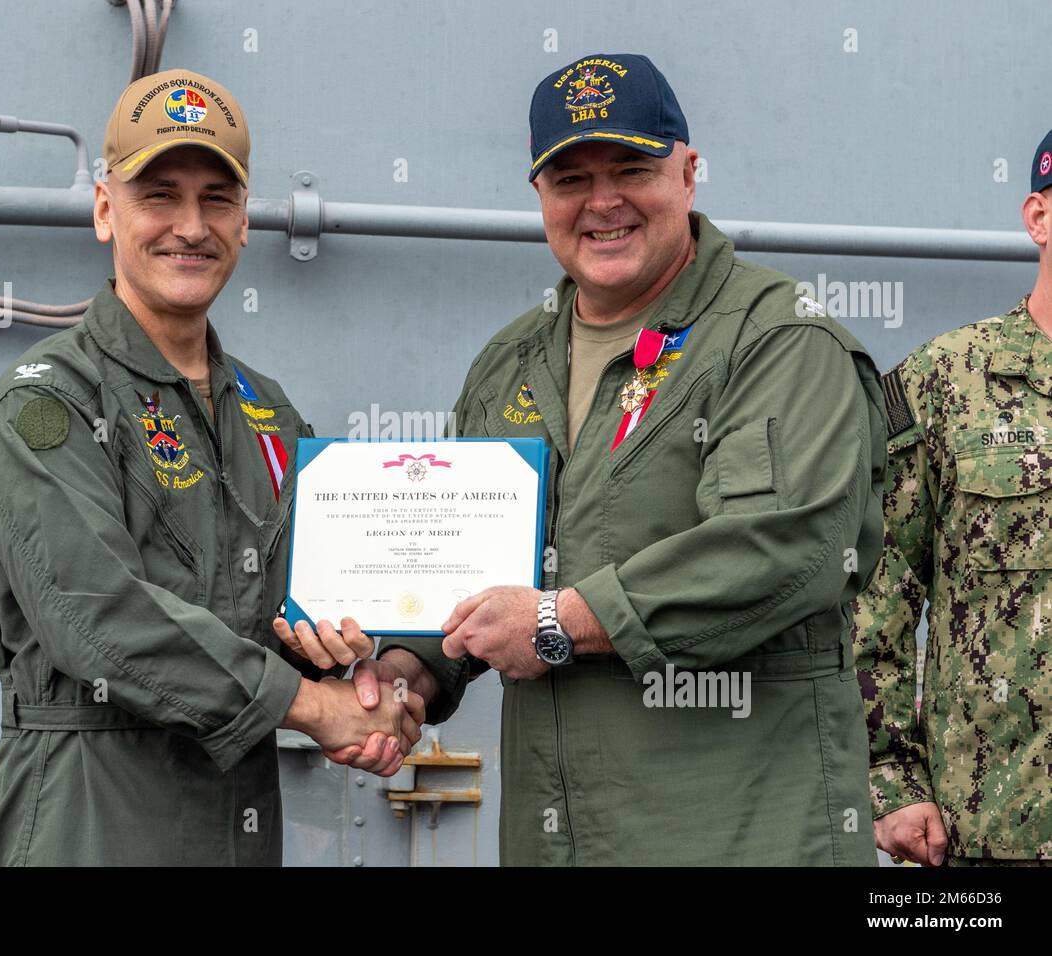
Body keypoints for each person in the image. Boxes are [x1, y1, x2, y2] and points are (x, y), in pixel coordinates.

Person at [304, 52, 888, 865]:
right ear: (539, 196)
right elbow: (464, 591)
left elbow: (783, 553)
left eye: (631, 167)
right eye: (571, 177)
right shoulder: (509, 366)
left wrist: (558, 622)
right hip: (557, 839)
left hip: (745, 836)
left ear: (688, 174)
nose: (602, 201)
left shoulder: (779, 339)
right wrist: (404, 683)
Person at [0, 68, 420, 866]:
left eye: (217, 199)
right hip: (90, 821)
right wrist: (312, 706)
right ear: (105, 210)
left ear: (242, 223)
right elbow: (98, 620)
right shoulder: (47, 407)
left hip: (236, 823)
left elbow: (303, 603)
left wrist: (371, 675)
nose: (190, 227)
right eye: (158, 194)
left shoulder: (267, 412)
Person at [851, 129, 1052, 867]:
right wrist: (891, 778)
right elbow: (875, 590)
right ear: (1038, 217)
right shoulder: (948, 381)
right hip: (991, 836)